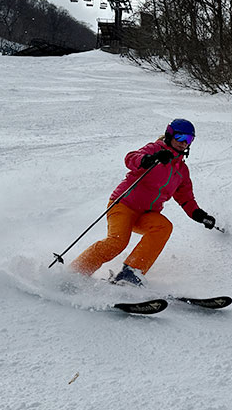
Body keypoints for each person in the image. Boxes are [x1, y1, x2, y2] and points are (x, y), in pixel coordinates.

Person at [69, 118, 216, 286]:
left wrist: (199, 214)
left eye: (189, 140)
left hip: (146, 214)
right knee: (117, 242)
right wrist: (149, 159)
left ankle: (131, 272)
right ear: (170, 135)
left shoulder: (181, 170)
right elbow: (130, 158)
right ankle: (76, 272)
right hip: (123, 205)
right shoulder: (155, 149)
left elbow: (186, 198)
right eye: (180, 137)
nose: (184, 143)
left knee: (163, 227)